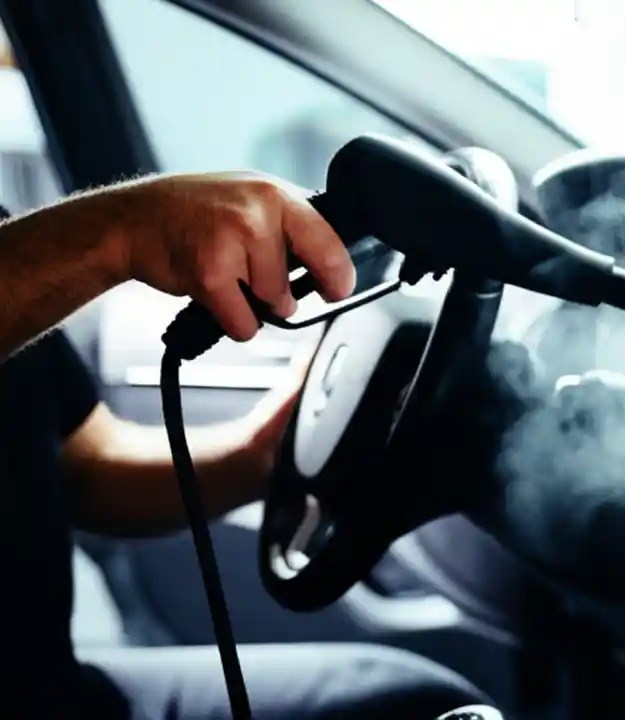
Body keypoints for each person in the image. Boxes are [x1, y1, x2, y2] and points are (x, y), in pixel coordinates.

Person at [0, 174, 486, 718]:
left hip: (54, 687)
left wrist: (260, 453)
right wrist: (121, 230)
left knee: (414, 702)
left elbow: (80, 469)